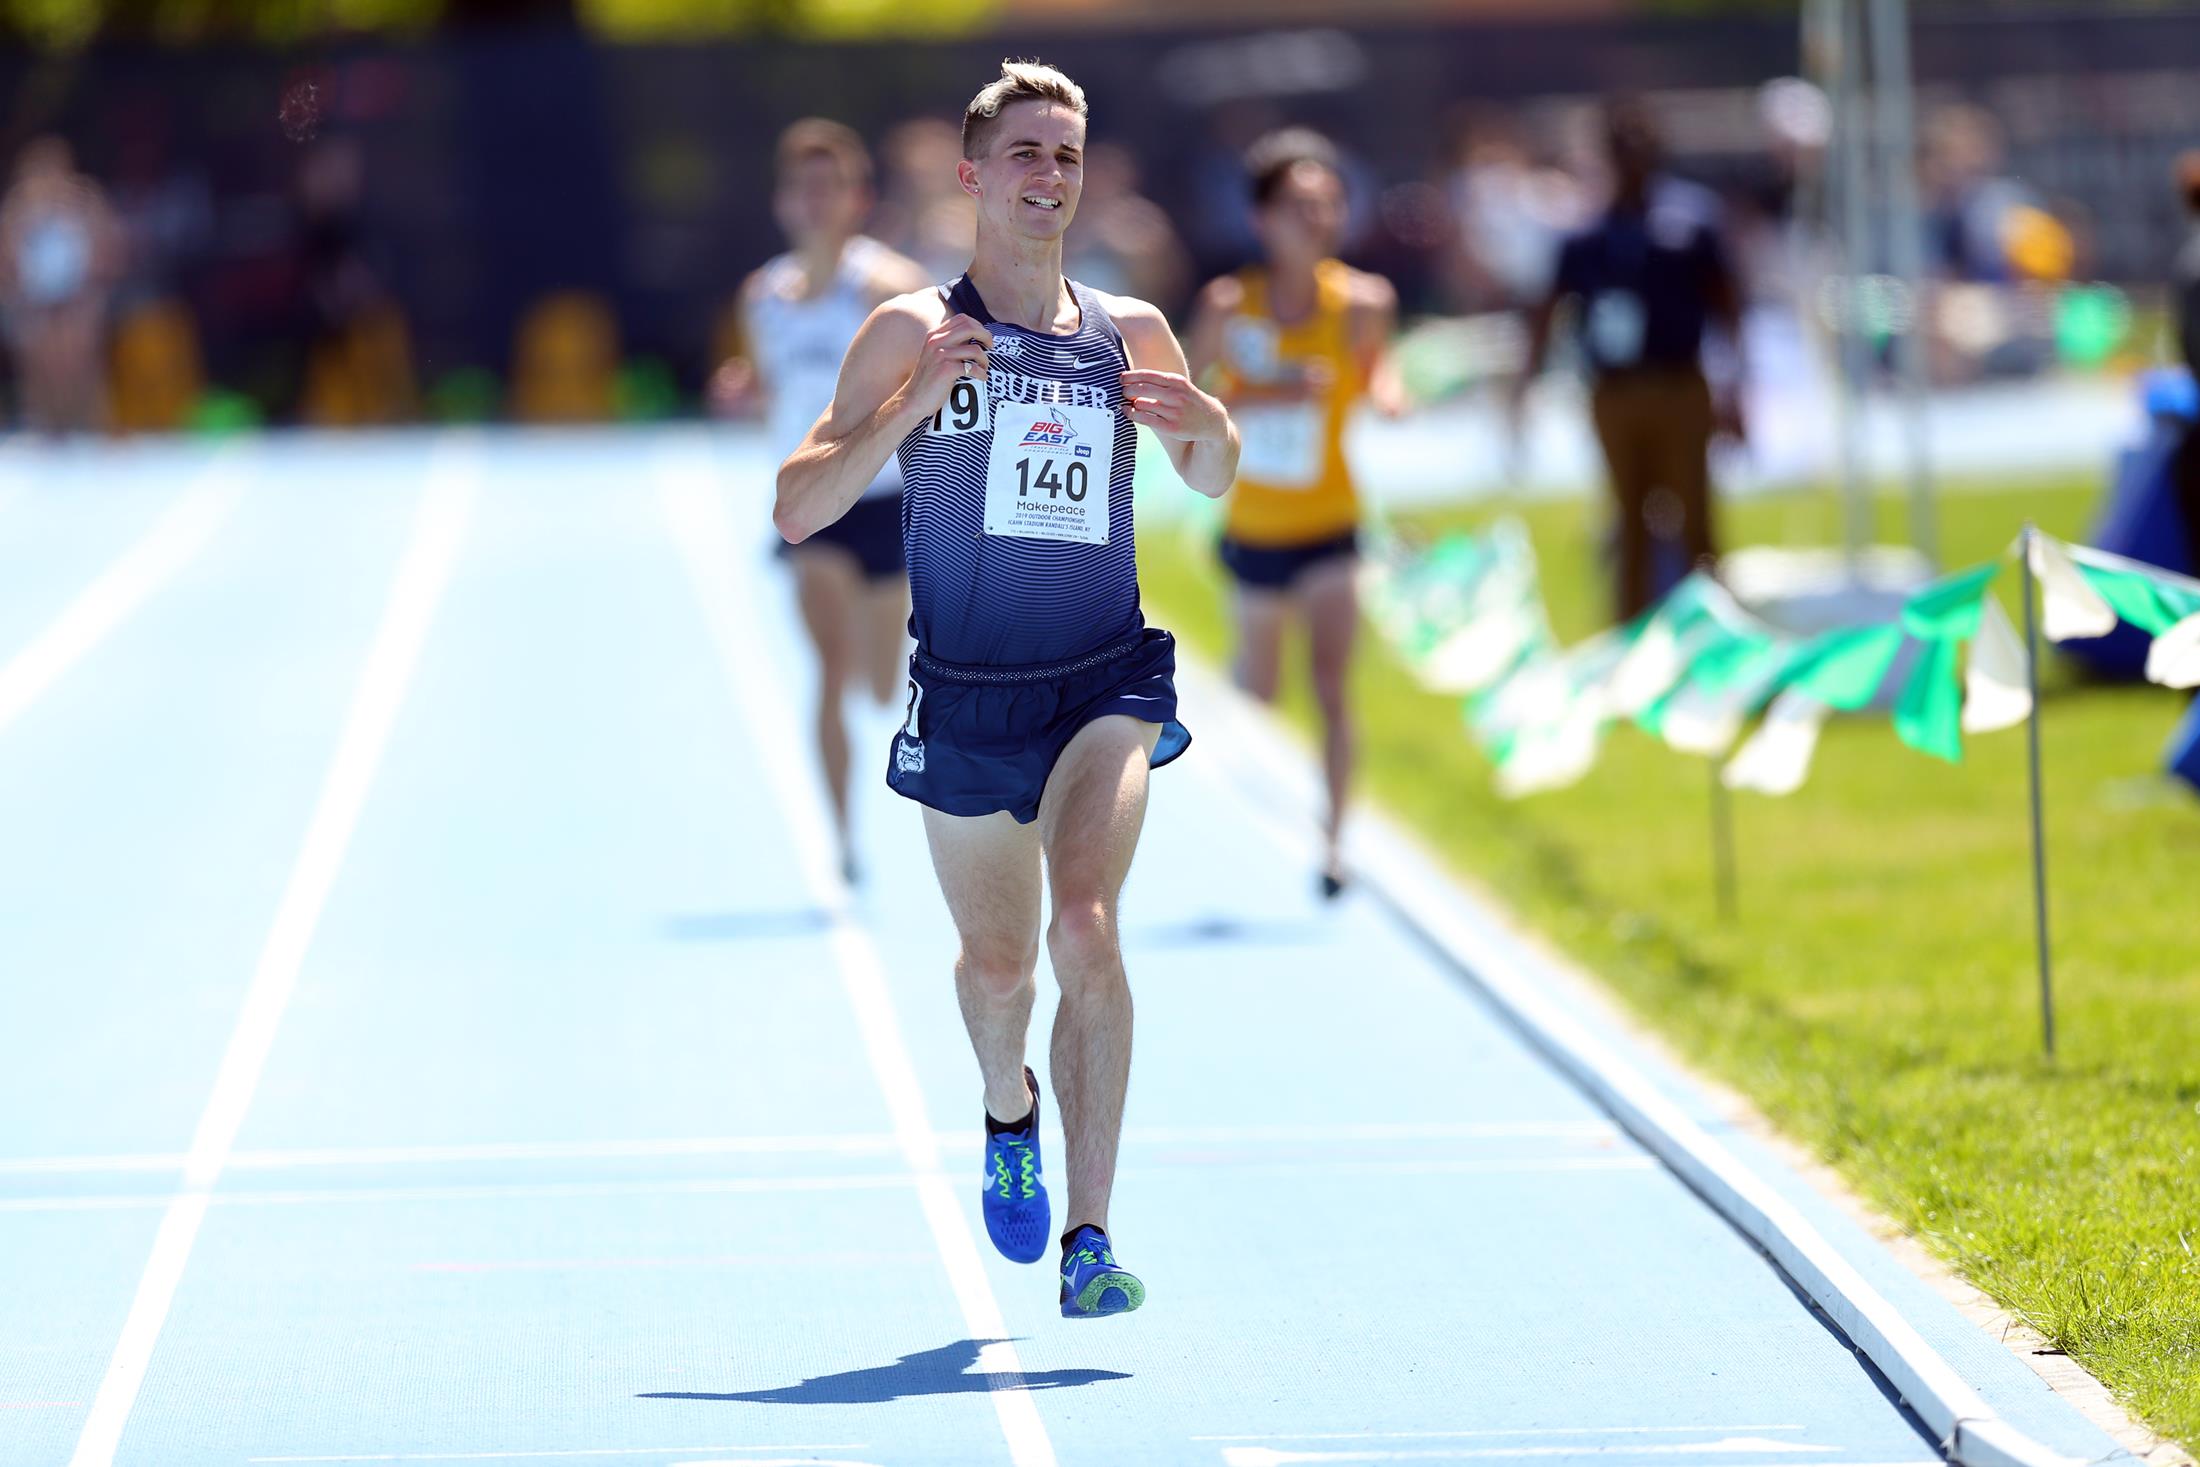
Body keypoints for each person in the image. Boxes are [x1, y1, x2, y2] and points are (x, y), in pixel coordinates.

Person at [775, 60, 1238, 1318]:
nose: (1050, 176)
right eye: (1026, 154)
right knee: (996, 970)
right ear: (973, 176)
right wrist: (909, 408)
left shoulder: (1129, 330)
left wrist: (1204, 422)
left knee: (1083, 926)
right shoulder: (910, 330)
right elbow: (798, 505)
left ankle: (1091, 1237)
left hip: (1104, 678)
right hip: (970, 689)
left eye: (1069, 156)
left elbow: (1210, 475)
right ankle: (1005, 1108)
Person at [1185, 128, 1401, 899]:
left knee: (1335, 684)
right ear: (1262, 220)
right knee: (1261, 694)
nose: (1318, 218)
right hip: (1255, 530)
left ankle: (1335, 845)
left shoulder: (1363, 302)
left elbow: (1381, 374)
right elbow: (1179, 390)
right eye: (1300, 206)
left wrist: (1390, 394)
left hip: (1331, 522)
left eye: (1329, 203)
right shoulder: (1227, 303)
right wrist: (1270, 391)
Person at [714, 120, 930, 883]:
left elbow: (927, 386)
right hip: (812, 505)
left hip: (887, 501)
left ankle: (889, 686)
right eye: (801, 187)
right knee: (829, 668)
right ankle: (840, 838)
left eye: (828, 185)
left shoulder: (890, 287)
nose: (814, 201)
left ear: (857, 198)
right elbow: (770, 384)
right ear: (783, 203)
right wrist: (745, 391)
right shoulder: (762, 297)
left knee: (880, 679)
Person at [1512, 98, 1746, 623]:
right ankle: (1630, 635)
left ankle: (1713, 635)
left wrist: (1735, 385)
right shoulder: (1586, 235)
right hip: (1614, 391)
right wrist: (1525, 388)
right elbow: (1550, 312)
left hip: (1680, 383)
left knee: (1694, 516)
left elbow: (1728, 305)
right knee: (1627, 520)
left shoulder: (1690, 221)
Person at [0, 137, 122, 434]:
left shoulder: (85, 201)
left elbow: (109, 256)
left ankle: (91, 424)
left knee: (77, 344)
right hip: (31, 302)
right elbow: (6, 265)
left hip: (79, 298)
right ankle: (43, 425)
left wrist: (87, 292)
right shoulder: (16, 209)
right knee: (39, 346)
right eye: (39, 172)